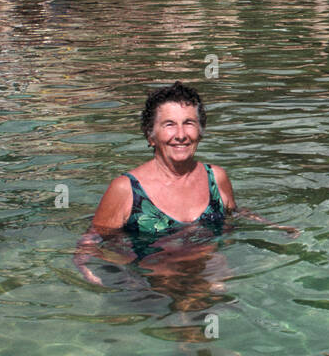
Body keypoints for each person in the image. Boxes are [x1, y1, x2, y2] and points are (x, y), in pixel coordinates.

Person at [74, 81, 298, 287]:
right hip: (154, 283)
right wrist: (88, 270)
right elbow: (93, 239)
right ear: (150, 135)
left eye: (189, 123)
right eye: (169, 124)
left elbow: (234, 213)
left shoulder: (216, 177)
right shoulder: (126, 189)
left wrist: (273, 227)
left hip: (211, 274)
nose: (180, 135)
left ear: (200, 132)